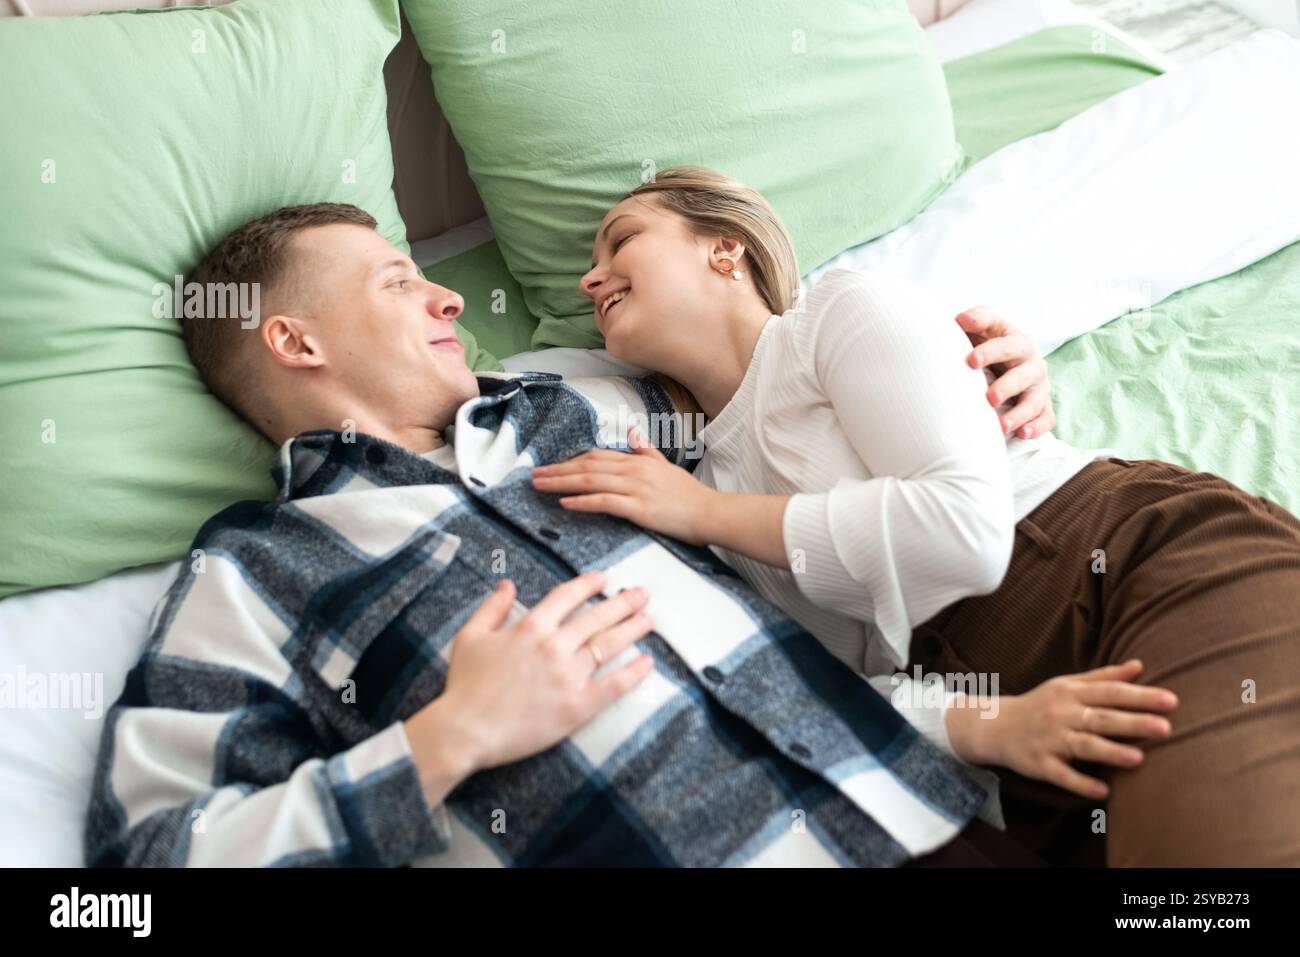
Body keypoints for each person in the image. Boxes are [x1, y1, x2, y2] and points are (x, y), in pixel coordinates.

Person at [84, 202, 1053, 867]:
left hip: (927, 818)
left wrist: (980, 377)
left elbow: (782, 382)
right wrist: (445, 739)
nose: (450, 299)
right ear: (297, 342)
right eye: (396, 283)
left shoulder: (584, 411)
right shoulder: (255, 571)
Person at [534, 165, 1300, 866]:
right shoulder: (709, 490)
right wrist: (990, 723)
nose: (590, 277)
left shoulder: (836, 313)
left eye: (622, 240)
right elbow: (832, 692)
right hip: (1015, 735)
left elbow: (965, 532)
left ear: (725, 248)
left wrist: (709, 513)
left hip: (1122, 565)